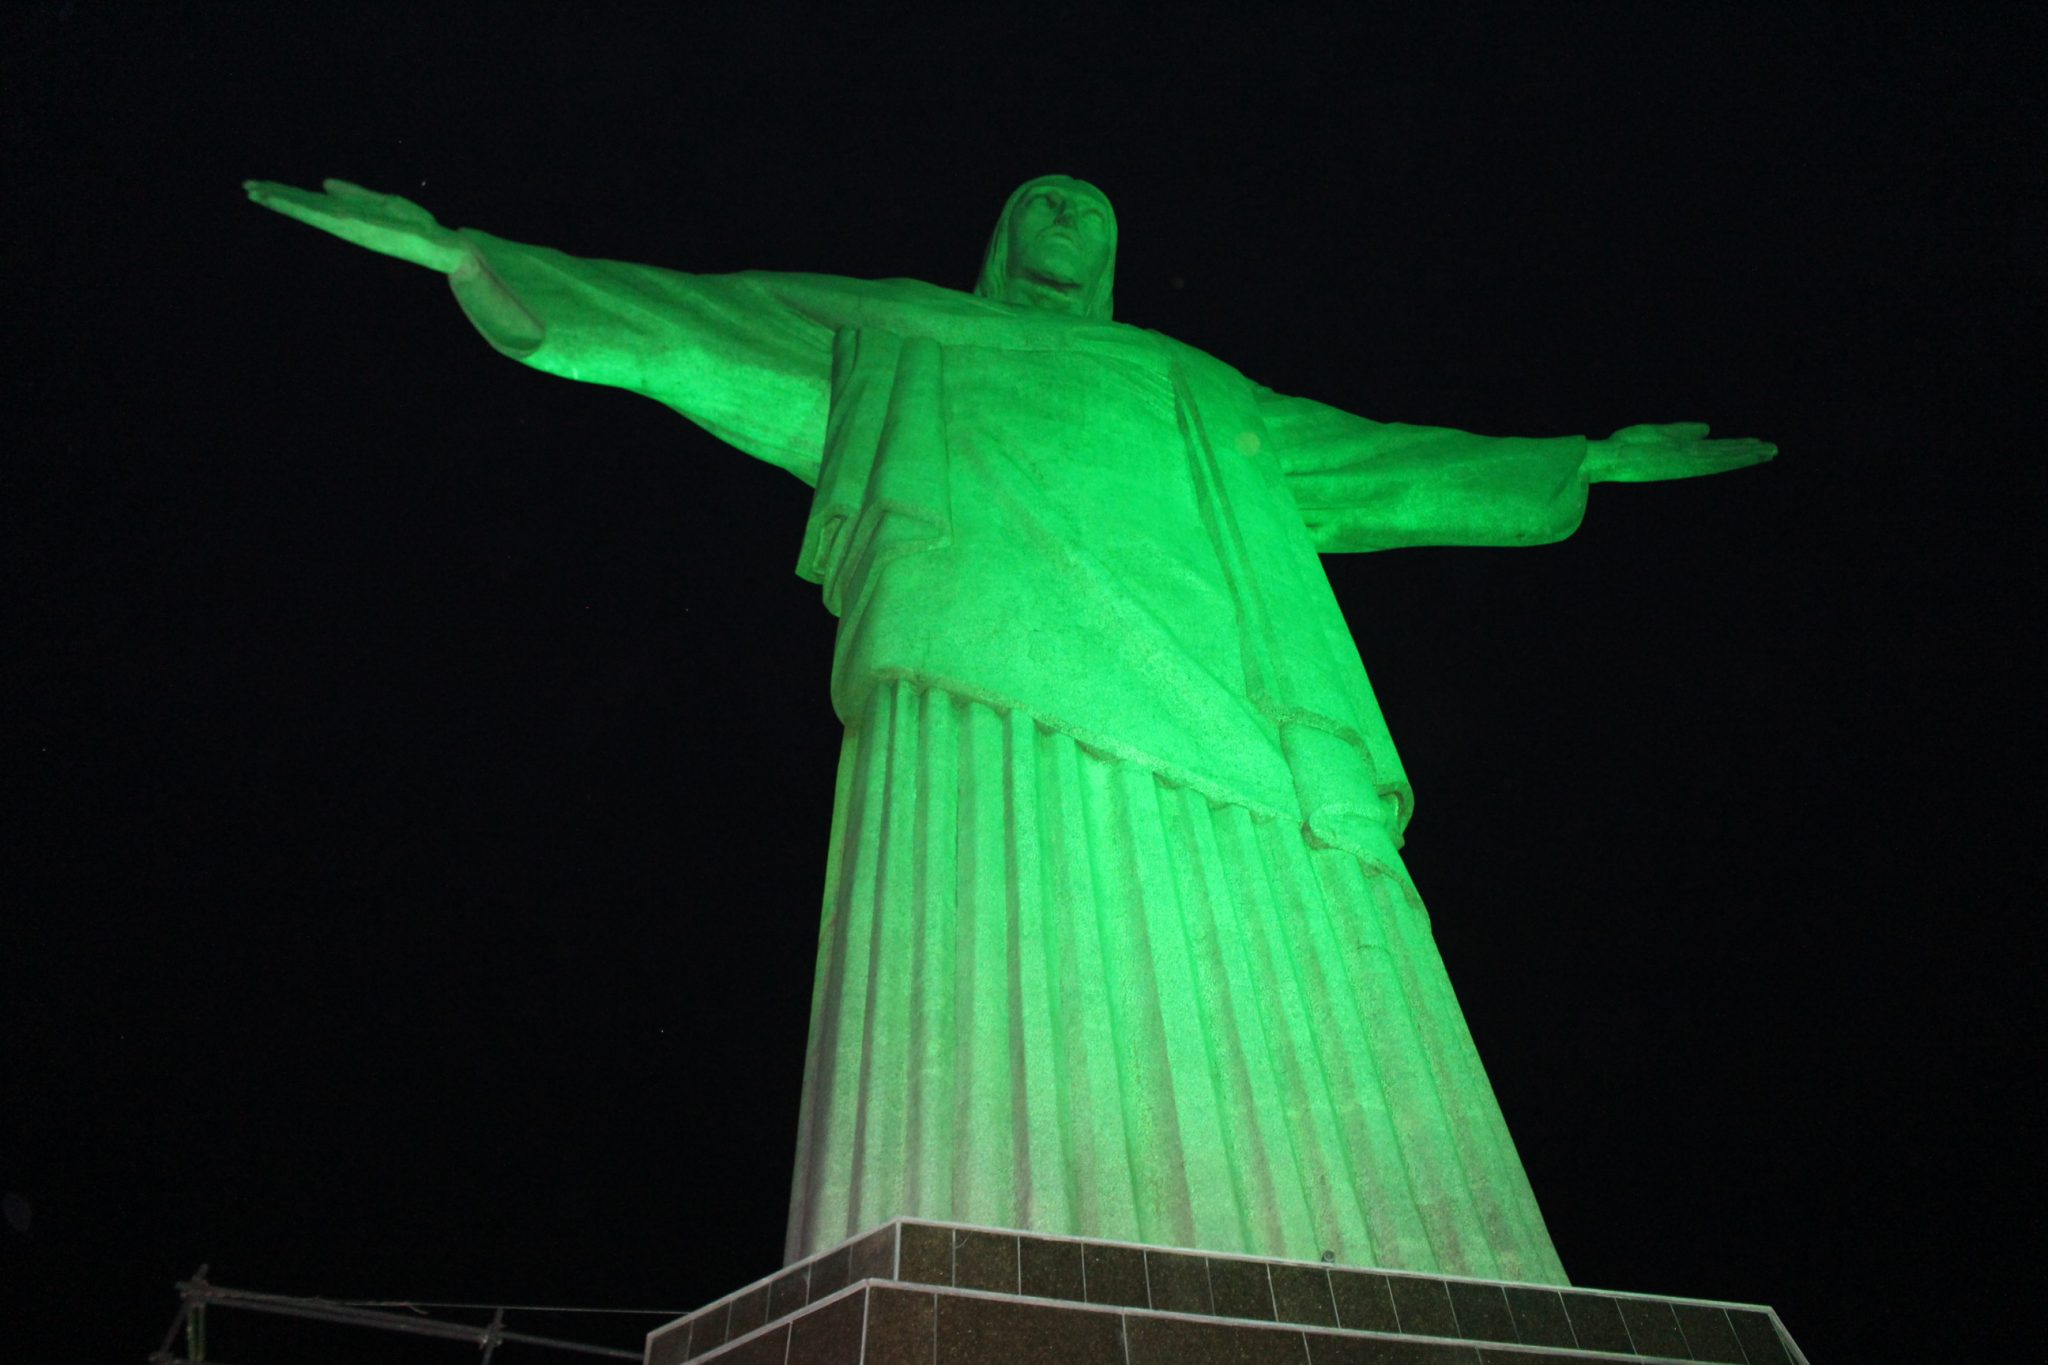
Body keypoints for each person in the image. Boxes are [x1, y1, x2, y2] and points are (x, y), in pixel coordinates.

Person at [245, 173, 1774, 1284]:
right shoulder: (896, 327)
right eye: (1046, 203)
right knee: (1001, 969)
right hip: (982, 685)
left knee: (1283, 978)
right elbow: (688, 322)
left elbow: (1381, 467)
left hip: (1235, 724)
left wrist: (1576, 460)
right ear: (996, 229)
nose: (1071, 223)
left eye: (1097, 214)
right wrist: (475, 258)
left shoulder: (1193, 386)